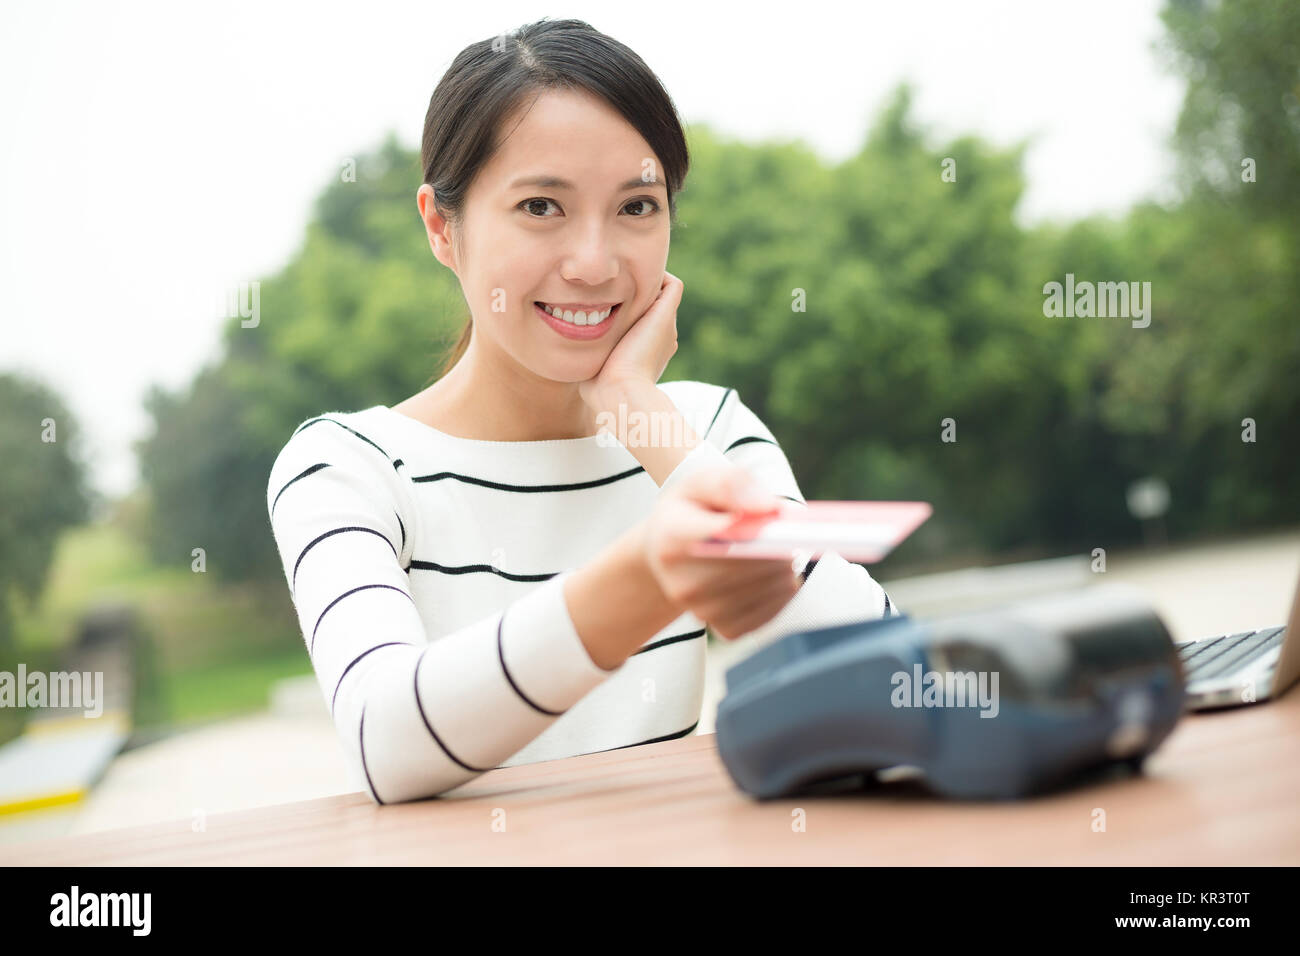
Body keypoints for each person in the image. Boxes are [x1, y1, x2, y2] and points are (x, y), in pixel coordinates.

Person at [265, 18, 895, 805]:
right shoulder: (348, 467)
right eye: (540, 207)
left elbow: (884, 683)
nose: (594, 264)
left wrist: (643, 417)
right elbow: (385, 741)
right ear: (440, 225)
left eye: (637, 207)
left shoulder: (706, 430)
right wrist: (649, 574)